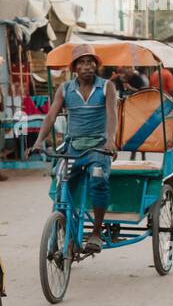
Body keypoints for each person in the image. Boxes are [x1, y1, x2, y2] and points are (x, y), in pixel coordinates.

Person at [30, 44, 119, 254]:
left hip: (98, 148)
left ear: (96, 66)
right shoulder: (65, 89)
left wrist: (111, 139)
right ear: (75, 68)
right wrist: (38, 142)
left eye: (90, 62)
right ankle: (68, 232)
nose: (87, 66)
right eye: (82, 62)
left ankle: (96, 232)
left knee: (98, 180)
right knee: (62, 186)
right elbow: (51, 115)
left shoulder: (107, 87)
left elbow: (112, 114)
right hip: (73, 148)